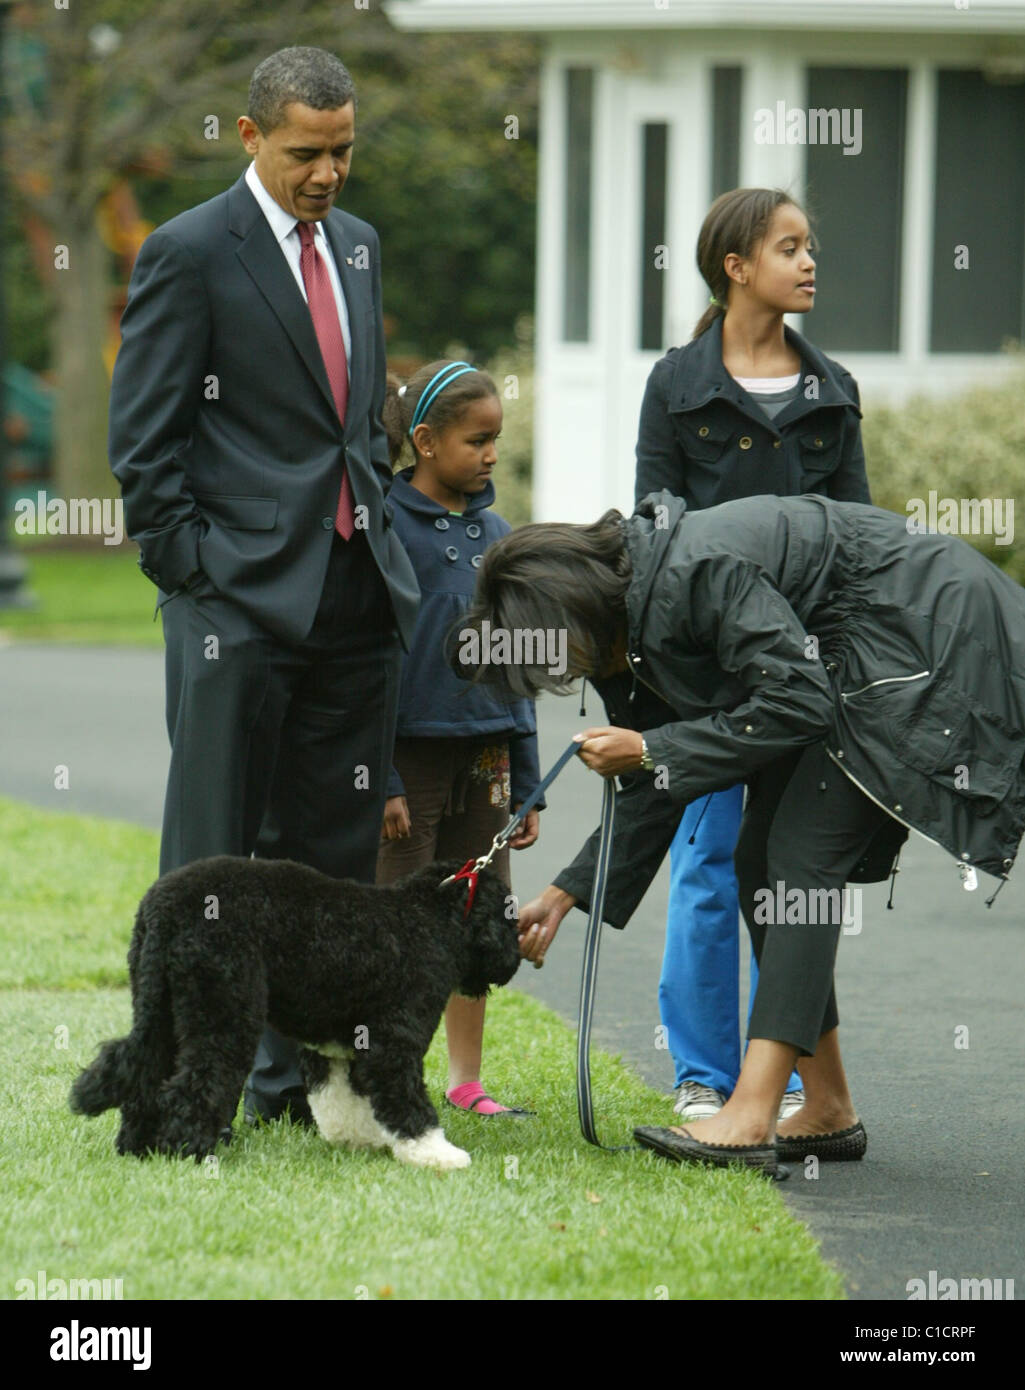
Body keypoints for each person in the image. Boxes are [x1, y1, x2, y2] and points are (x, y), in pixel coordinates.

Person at [455, 491, 1025, 1173]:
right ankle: (827, 1107)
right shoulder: (619, 635)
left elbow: (796, 700)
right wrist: (567, 890)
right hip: (846, 661)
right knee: (759, 863)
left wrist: (649, 751)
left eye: (557, 657)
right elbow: (655, 778)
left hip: (925, 635)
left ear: (571, 608)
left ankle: (749, 1118)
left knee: (798, 863)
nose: (562, 674)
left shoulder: (695, 573)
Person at [108, 47, 419, 1129]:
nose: (327, 172)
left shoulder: (364, 249)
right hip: (229, 604)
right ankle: (186, 1086)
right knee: (212, 859)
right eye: (304, 152)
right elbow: (143, 444)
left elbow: (356, 426)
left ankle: (288, 1088)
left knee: (326, 864)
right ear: (249, 138)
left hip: (350, 595)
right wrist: (194, 574)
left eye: (341, 149)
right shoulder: (190, 251)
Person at [634, 187, 872, 1122]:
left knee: (789, 879)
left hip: (807, 678)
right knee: (707, 862)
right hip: (706, 674)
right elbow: (656, 534)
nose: (809, 262)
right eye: (788, 247)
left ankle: (806, 1091)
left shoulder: (833, 390)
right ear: (736, 268)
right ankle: (703, 1078)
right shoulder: (674, 385)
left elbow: (857, 537)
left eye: (808, 245)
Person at [376, 360, 540, 1116]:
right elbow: (366, 657)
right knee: (404, 919)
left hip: (488, 752)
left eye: (495, 441)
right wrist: (381, 774)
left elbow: (519, 656)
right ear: (424, 441)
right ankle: (386, 1072)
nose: (488, 456)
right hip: (410, 752)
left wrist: (528, 773)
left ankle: (466, 1080)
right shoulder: (383, 525)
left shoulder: (499, 535)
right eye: (476, 440)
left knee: (480, 912)